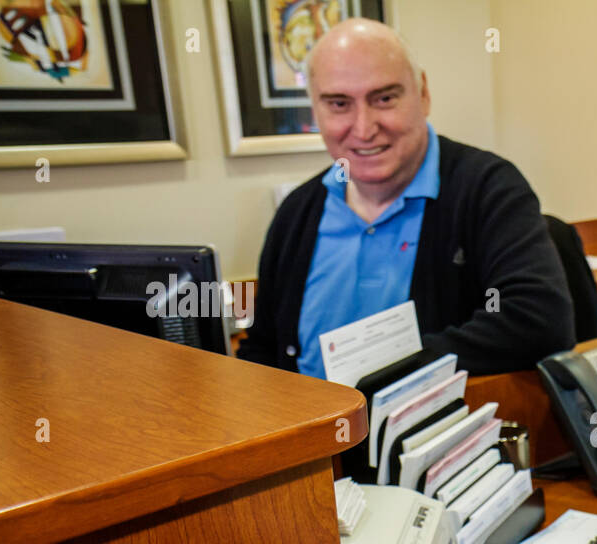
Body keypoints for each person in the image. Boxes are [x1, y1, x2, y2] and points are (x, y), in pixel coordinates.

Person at [240, 18, 574, 378]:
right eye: (339, 104)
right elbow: (263, 347)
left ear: (423, 93)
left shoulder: (487, 189)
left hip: (427, 428)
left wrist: (384, 374)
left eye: (384, 98)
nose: (364, 128)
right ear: (316, 112)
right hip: (307, 429)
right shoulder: (298, 212)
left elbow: (538, 321)